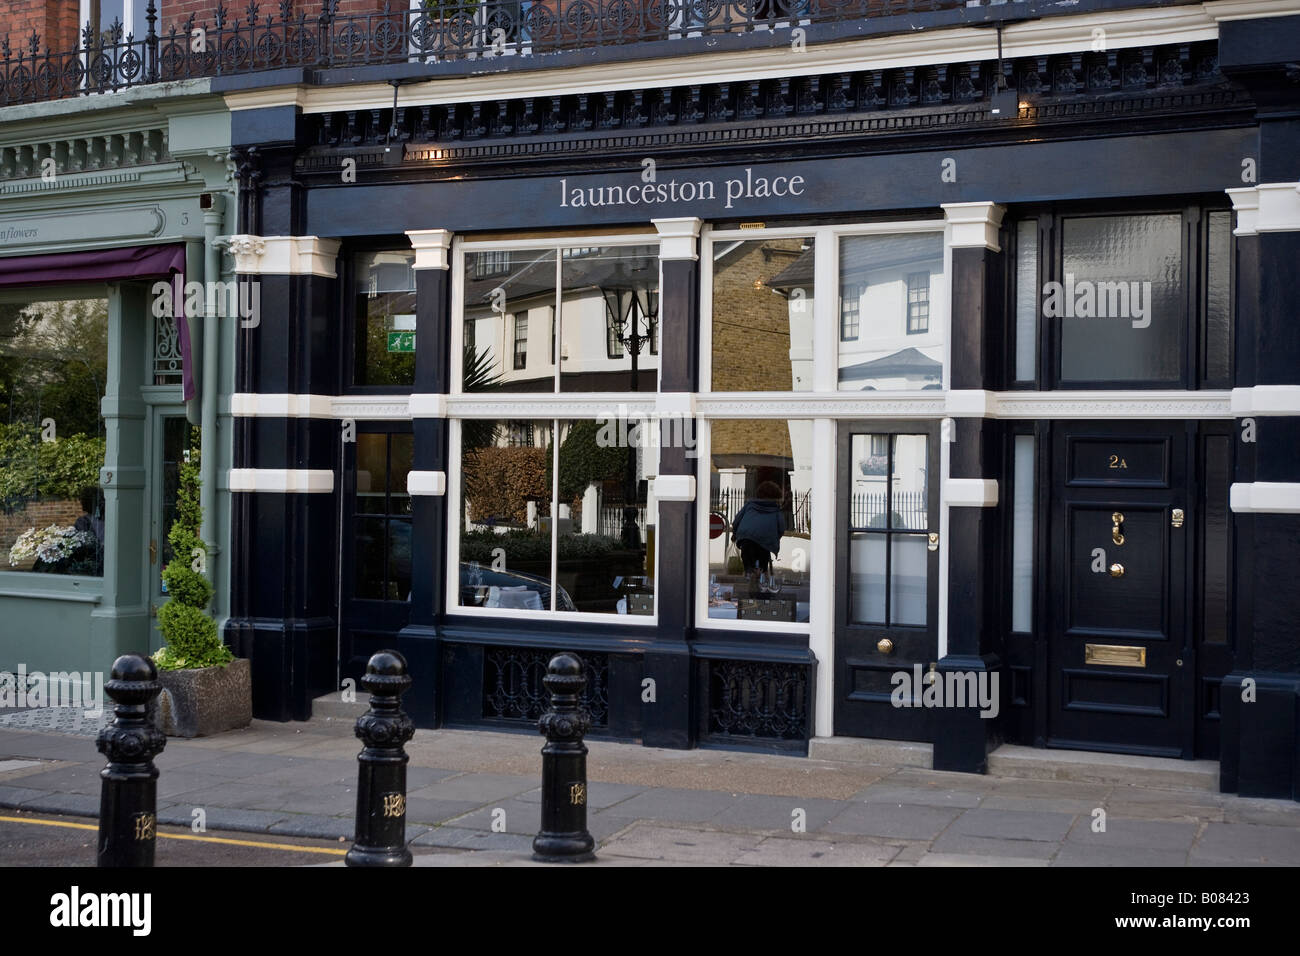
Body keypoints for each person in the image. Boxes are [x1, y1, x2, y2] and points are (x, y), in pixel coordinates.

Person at [731, 481, 786, 596]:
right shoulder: (776, 510)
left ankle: (750, 577)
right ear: (775, 497)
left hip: (746, 538)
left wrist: (735, 533)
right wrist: (775, 538)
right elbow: (781, 527)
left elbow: (737, 520)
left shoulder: (750, 505)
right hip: (765, 541)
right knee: (763, 564)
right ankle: (762, 583)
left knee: (749, 565)